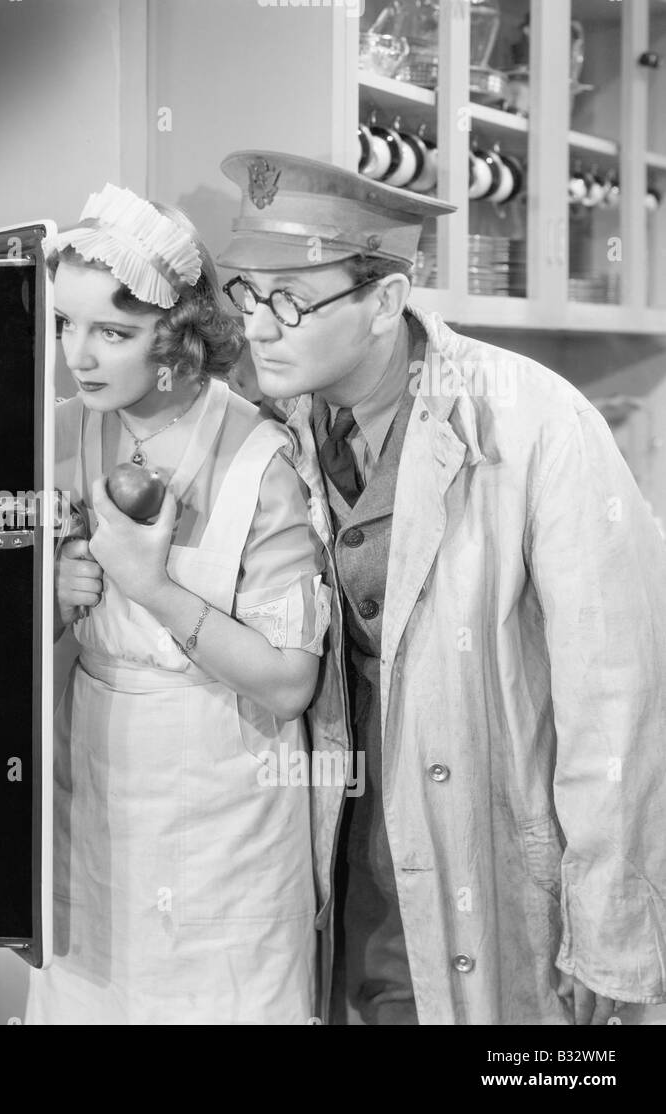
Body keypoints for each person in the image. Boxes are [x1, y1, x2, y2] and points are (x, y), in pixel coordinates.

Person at [217, 149, 666, 1025]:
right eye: (246, 293)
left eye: (289, 300)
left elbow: (619, 697)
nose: (258, 328)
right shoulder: (275, 426)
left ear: (386, 300)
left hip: (491, 864)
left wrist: (611, 932)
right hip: (338, 872)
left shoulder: (536, 423)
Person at [22, 183, 340, 1024]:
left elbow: (287, 686)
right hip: (92, 778)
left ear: (178, 337)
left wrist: (150, 586)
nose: (77, 357)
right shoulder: (58, 432)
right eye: (65, 324)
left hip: (223, 799)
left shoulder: (258, 461)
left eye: (111, 334)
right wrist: (51, 603)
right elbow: (6, 631)